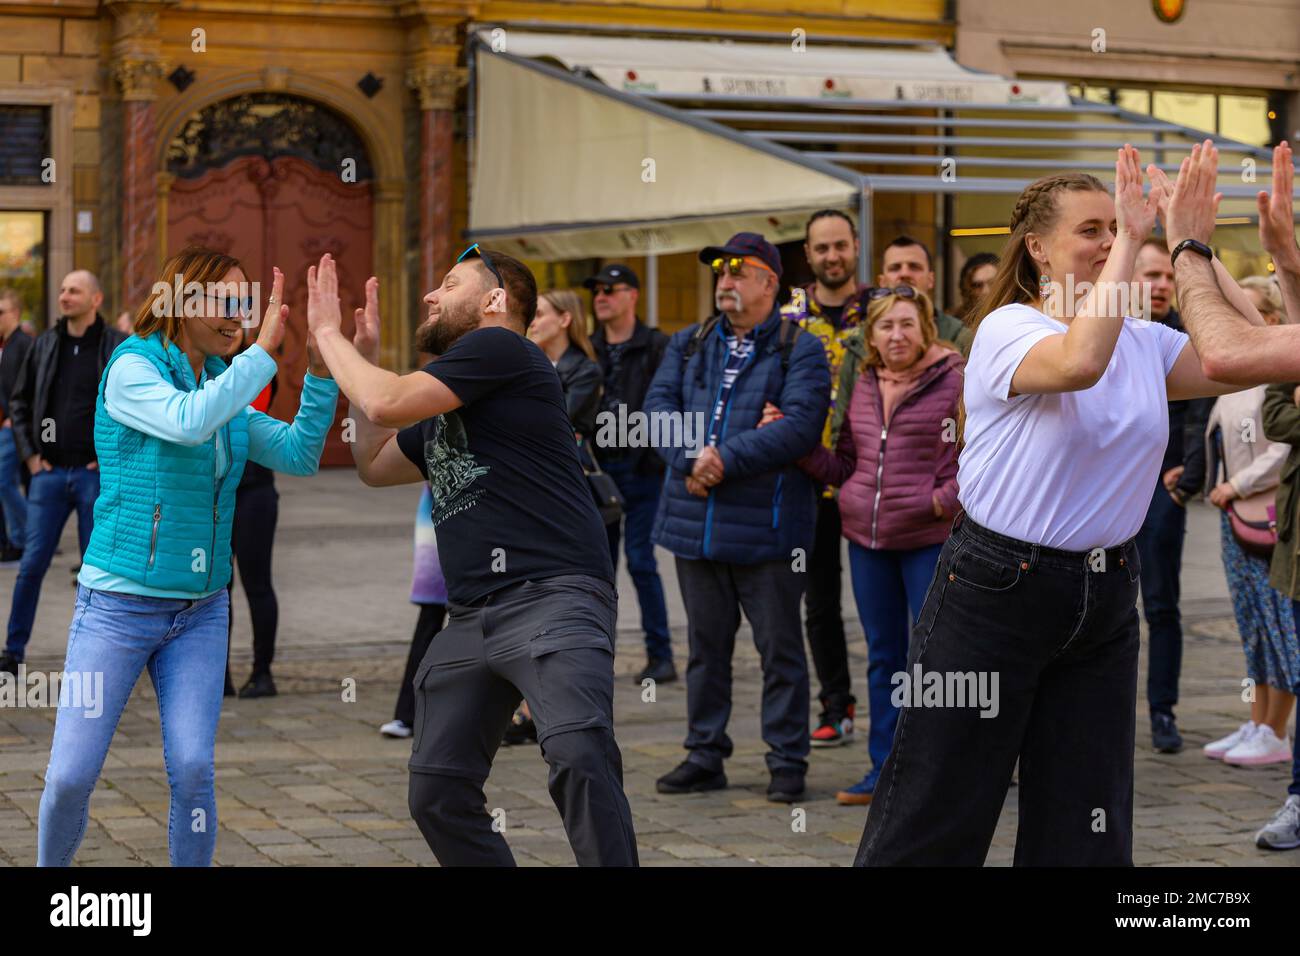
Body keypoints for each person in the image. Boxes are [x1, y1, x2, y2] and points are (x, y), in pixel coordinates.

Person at [856, 145, 1260, 866]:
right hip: (993, 590)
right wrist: (1136, 238)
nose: (1110, 241)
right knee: (938, 805)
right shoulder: (1010, 330)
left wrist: (1189, 237)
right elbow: (1078, 363)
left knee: (1087, 817)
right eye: (1093, 230)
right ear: (1038, 249)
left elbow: (1242, 346)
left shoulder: (1144, 341)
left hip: (1105, 595)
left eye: (1116, 227)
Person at [309, 247, 638, 867]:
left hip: (553, 596)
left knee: (578, 753)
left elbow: (384, 403)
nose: (431, 296)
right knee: (436, 790)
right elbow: (374, 464)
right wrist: (368, 360)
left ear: (493, 301)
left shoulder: (504, 348)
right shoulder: (452, 397)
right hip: (470, 616)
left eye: (449, 283)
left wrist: (328, 334)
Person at [37, 247, 337, 866]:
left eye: (246, 307)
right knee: (70, 775)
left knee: (195, 770)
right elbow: (187, 422)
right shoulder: (132, 367)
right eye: (226, 302)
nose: (240, 317)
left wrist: (324, 365)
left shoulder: (220, 387)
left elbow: (301, 453)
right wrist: (259, 355)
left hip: (200, 612)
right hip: (116, 606)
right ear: (181, 299)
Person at [645, 232, 831, 803]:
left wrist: (723, 459)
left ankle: (787, 759)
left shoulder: (799, 347)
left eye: (737, 271)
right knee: (705, 649)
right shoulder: (689, 342)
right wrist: (689, 459)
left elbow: (800, 425)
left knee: (779, 650)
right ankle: (705, 754)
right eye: (720, 271)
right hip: (692, 522)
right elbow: (656, 411)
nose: (724, 280)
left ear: (770, 283)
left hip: (768, 529)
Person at [765, 285, 962, 804]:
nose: (896, 335)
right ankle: (885, 769)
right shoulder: (866, 382)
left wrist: (940, 502)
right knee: (883, 656)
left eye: (906, 324)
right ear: (870, 336)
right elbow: (846, 462)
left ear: (925, 327)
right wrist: (795, 440)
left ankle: (941, 772)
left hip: (926, 538)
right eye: (885, 326)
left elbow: (979, 455)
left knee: (934, 658)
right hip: (868, 541)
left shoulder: (955, 379)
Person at [2, 271, 125, 676]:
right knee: (32, 564)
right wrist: (31, 457)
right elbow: (19, 403)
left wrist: (111, 459)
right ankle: (14, 652)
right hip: (49, 476)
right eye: (62, 289)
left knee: (97, 573)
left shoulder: (117, 347)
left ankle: (96, 658)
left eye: (73, 290)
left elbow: (135, 410)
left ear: (96, 298)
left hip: (96, 477)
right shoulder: (45, 345)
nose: (64, 296)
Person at [780, 209, 868, 748]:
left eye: (841, 245)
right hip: (809, 474)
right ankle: (836, 702)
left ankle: (905, 703)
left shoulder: (882, 305)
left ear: (855, 246)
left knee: (894, 597)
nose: (832, 255)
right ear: (809, 255)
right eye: (822, 248)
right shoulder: (788, 313)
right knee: (819, 601)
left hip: (875, 473)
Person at [504, 288, 605, 743]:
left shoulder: (585, 371)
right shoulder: (522, 363)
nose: (533, 320)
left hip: (567, 504)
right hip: (521, 501)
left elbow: (556, 423)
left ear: (566, 320)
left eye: (541, 313)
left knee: (570, 605)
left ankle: (561, 707)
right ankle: (526, 703)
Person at [1204, 298, 1295, 766]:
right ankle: (1258, 722)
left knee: (1277, 622)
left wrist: (1235, 486)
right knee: (1253, 623)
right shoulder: (1233, 379)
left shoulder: (1273, 379)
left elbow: (1282, 448)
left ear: (1270, 322)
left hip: (1267, 515)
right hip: (1232, 512)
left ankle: (1277, 730)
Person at [1133, 238, 1213, 754]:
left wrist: (1186, 481)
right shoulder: (1108, 334)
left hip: (1163, 492)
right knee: (1097, 606)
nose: (1161, 285)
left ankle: (1163, 711)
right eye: (1150, 275)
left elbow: (1204, 411)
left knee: (1161, 606)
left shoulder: (1188, 336)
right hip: (1111, 487)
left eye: (1168, 276)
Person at [585, 264, 674, 684]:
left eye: (610, 290)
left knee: (641, 562)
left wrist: (656, 459)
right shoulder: (588, 347)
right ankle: (597, 656)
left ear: (632, 295)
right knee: (600, 567)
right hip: (599, 471)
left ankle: (661, 657)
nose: (601, 296)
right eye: (596, 291)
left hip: (642, 470)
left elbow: (670, 401)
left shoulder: (656, 344)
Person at [222, 326, 284, 699]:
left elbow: (242, 415)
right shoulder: (202, 364)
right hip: (217, 492)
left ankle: (263, 673)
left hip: (255, 490)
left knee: (257, 583)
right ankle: (219, 674)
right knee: (217, 588)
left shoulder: (259, 367)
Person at [380, 483, 448, 740]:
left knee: (492, 615)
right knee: (430, 615)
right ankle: (407, 713)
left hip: (492, 516)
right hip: (439, 512)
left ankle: (515, 714)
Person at [877, 235, 964, 343]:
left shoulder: (959, 337)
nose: (905, 274)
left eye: (914, 267)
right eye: (895, 268)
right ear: (882, 282)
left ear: (931, 280)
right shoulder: (859, 341)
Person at [0, 287, 33, 566]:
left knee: (3, 481)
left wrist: (16, 416)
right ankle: (24, 537)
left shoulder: (22, 344)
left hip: (15, 426)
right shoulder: (7, 344)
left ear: (15, 313)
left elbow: (31, 385)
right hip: (9, 424)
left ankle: (26, 537)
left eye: (1, 312)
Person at [953, 252, 998, 356]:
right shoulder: (956, 326)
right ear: (967, 289)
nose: (986, 291)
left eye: (992, 283)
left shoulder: (1019, 315)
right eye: (977, 285)